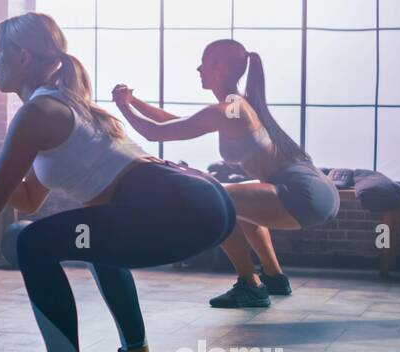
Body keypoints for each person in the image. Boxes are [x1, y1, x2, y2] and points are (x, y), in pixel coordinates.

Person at [0, 12, 236, 352]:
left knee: (32, 243)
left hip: (172, 201)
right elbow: (29, 197)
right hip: (200, 199)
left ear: (22, 57)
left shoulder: (39, 112)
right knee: (93, 234)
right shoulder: (66, 106)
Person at [111, 39, 339, 309]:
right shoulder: (235, 106)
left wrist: (122, 106)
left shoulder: (231, 110)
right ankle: (274, 277)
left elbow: (155, 132)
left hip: (305, 194)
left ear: (220, 68)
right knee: (240, 202)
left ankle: (251, 286)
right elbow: (174, 122)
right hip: (318, 193)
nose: (198, 69)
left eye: (203, 63)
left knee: (218, 200)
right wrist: (134, 100)